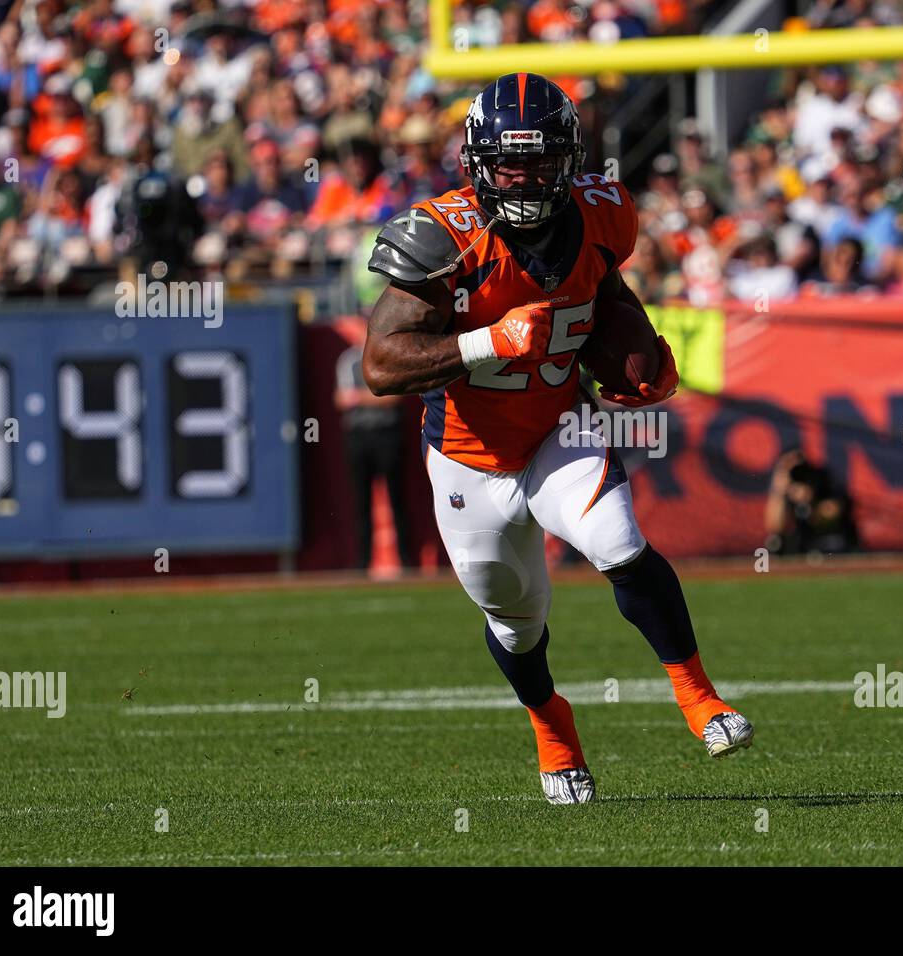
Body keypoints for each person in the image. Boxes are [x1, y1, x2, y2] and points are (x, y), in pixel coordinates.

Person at [362, 73, 753, 805]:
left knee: (618, 543)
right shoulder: (443, 236)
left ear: (569, 159)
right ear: (478, 163)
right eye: (511, 163)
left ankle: (701, 699)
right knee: (514, 623)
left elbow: (604, 286)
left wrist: (637, 352)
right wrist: (487, 342)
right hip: (467, 455)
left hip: (557, 426)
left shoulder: (604, 213)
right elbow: (380, 365)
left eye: (541, 161)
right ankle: (552, 728)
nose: (526, 176)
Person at [334, 346, 416, 573]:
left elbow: (394, 398)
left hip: (388, 434)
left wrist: (359, 397)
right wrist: (373, 396)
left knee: (397, 500)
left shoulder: (389, 356)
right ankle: (363, 562)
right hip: (359, 437)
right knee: (361, 503)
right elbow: (341, 398)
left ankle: (406, 560)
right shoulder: (349, 359)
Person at [764, 449, 859, 558]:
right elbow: (775, 526)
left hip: (831, 537)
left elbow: (834, 511)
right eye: (787, 465)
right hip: (804, 540)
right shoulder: (788, 487)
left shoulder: (820, 478)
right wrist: (780, 490)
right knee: (774, 542)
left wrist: (810, 500)